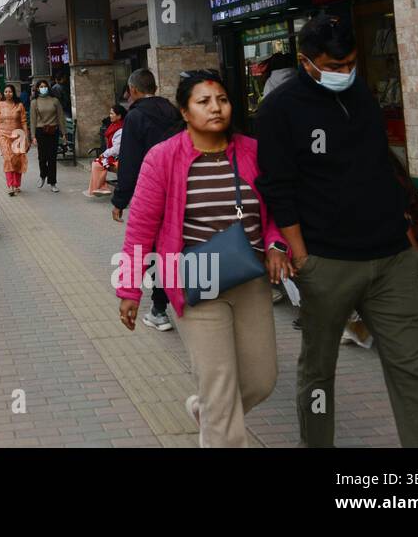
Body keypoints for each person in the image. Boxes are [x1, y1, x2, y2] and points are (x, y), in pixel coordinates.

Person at [254, 13, 418, 448]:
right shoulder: (278, 110)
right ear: (307, 62)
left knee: (414, 369)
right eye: (333, 66)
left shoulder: (361, 93)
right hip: (326, 263)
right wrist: (302, 256)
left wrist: (405, 231)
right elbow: (276, 186)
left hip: (391, 260)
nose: (344, 73)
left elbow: (381, 165)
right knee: (317, 376)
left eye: (350, 64)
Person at [117, 70, 291, 447]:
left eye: (223, 100)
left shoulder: (253, 152)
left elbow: (276, 210)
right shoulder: (162, 158)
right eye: (204, 102)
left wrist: (277, 244)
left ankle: (208, 410)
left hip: (250, 279)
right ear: (184, 111)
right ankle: (218, 422)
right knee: (220, 385)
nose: (216, 108)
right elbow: (140, 229)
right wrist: (129, 289)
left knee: (261, 380)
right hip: (195, 280)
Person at [111, 68, 183, 330]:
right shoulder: (172, 109)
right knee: (172, 245)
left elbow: (129, 162)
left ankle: (159, 308)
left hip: (150, 192)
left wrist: (120, 199)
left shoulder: (136, 116)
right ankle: (174, 299)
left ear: (133, 90)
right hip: (178, 190)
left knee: (152, 250)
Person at [29, 78, 67, 193]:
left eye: (45, 86)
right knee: (42, 157)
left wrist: (64, 133)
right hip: (40, 131)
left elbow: (60, 117)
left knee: (52, 158)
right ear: (37, 88)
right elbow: (33, 120)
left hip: (53, 131)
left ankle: (53, 182)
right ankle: (42, 175)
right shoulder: (34, 102)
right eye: (40, 86)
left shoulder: (55, 100)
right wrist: (33, 136)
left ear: (48, 87)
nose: (43, 88)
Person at [0, 83, 29, 196]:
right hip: (3, 135)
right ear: (4, 93)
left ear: (14, 93)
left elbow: (23, 122)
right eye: (6, 91)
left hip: (18, 135)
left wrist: (27, 137)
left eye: (10, 91)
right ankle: (11, 185)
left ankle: (17, 184)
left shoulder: (19, 106)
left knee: (17, 160)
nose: (8, 93)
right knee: (8, 159)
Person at [87, 104, 127, 197]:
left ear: (119, 116)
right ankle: (101, 186)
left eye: (112, 113)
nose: (110, 115)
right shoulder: (114, 125)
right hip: (115, 155)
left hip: (120, 158)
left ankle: (101, 187)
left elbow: (117, 149)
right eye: (110, 113)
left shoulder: (121, 129)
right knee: (97, 162)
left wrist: (104, 154)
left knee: (98, 163)